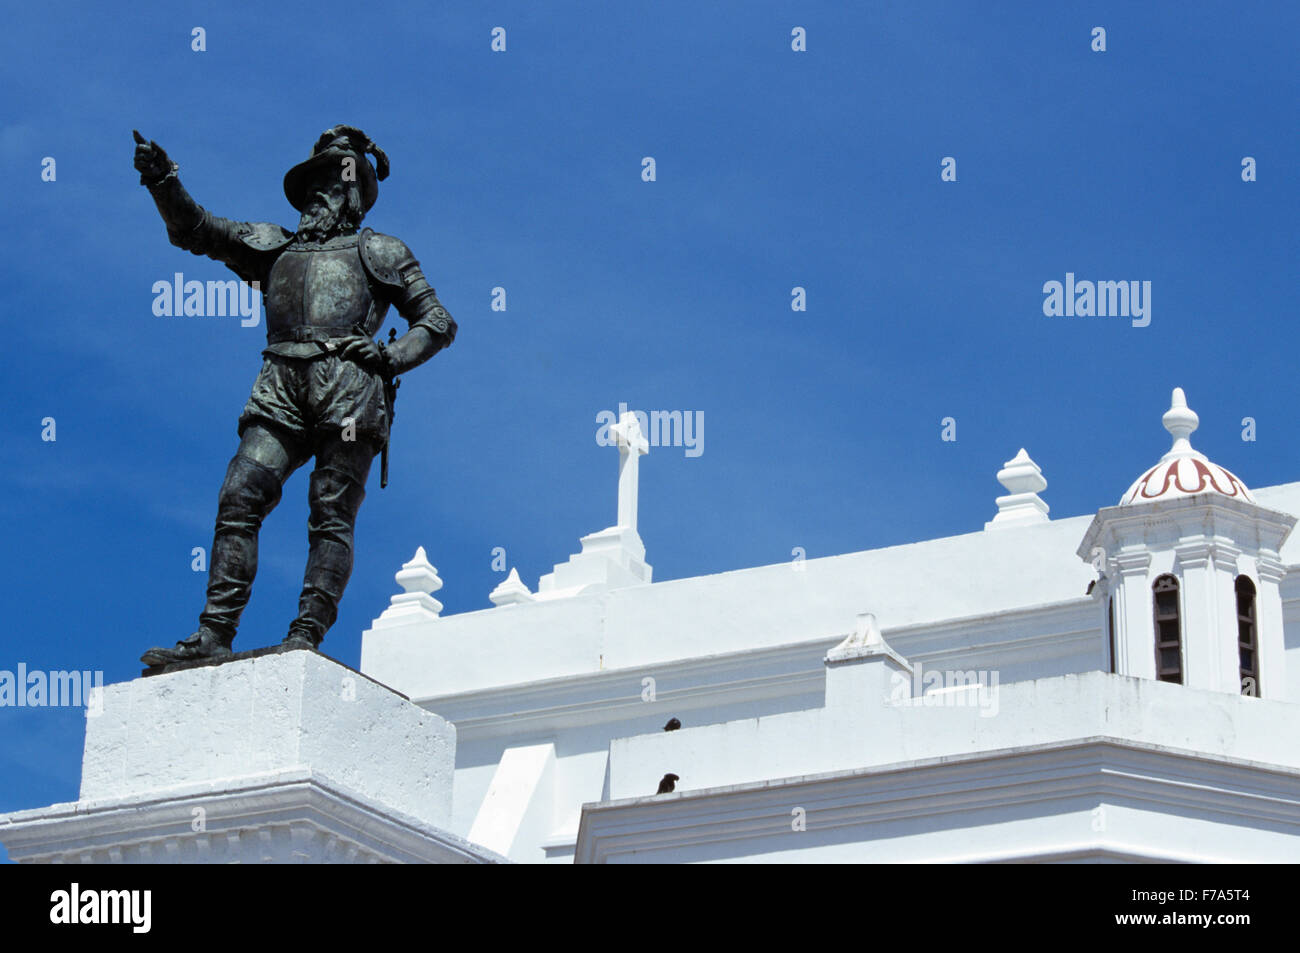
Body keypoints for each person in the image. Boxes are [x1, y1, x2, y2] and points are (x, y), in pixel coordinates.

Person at [135, 126, 457, 666]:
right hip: (281, 383)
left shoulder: (381, 252)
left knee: (330, 511)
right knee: (239, 494)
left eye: (328, 184)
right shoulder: (274, 248)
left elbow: (437, 321)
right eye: (310, 185)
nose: (315, 195)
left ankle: (306, 633)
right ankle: (214, 633)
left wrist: (390, 357)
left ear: (352, 192)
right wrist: (163, 181)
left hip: (348, 389)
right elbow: (197, 229)